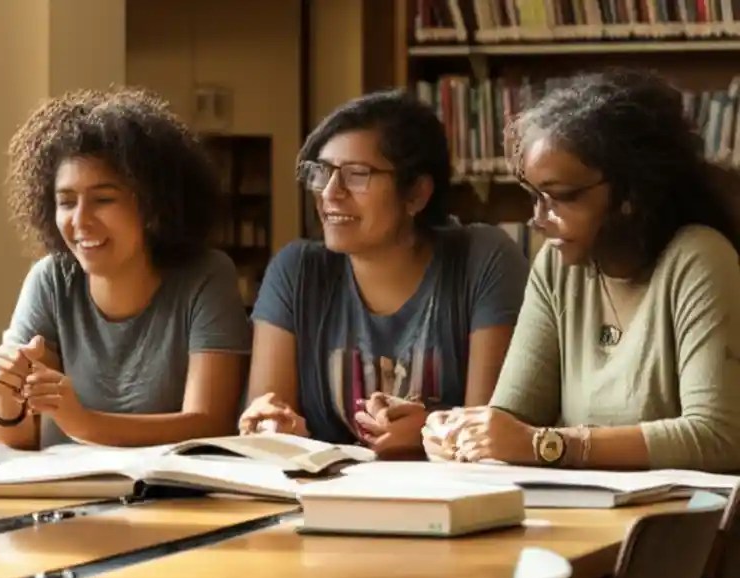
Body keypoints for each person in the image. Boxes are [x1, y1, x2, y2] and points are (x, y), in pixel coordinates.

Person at [426, 68, 740, 472]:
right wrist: (461, 434)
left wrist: (551, 446)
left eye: (561, 198)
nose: (538, 219)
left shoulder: (699, 257)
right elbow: (513, 423)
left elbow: (718, 437)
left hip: (681, 526)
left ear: (631, 192)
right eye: (534, 196)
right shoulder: (557, 266)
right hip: (582, 517)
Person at [239, 90, 529, 457]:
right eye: (322, 173)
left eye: (357, 175)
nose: (330, 192)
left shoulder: (482, 259)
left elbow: (491, 430)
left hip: (452, 499)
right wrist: (275, 428)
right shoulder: (296, 271)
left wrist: (429, 431)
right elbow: (269, 416)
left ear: (417, 195)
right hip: (323, 499)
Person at [0, 87, 252, 449]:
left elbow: (210, 425)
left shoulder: (206, 275)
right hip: (63, 500)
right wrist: (7, 397)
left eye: (103, 200)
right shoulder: (50, 279)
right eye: (66, 202)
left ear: (154, 206)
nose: (80, 221)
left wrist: (84, 423)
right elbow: (18, 438)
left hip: (169, 501)